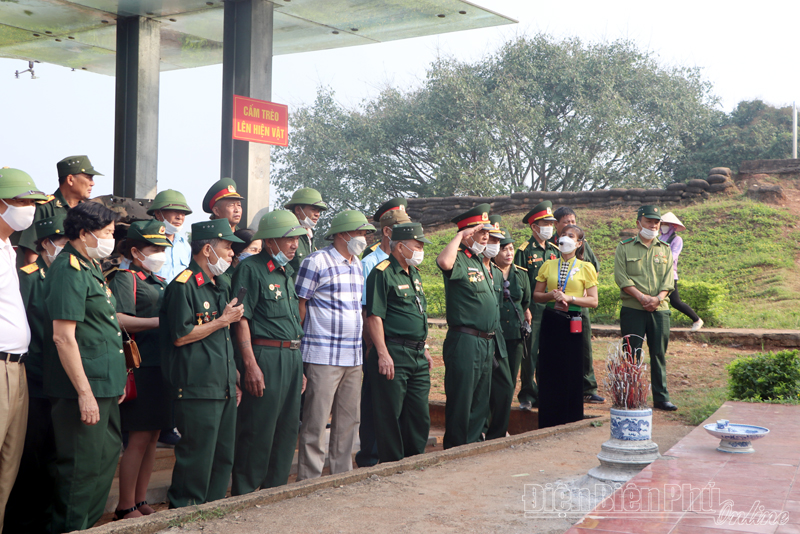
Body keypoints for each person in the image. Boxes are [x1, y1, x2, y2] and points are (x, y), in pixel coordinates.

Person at [43, 201, 126, 532]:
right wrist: (85, 393)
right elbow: (63, 338)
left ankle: (88, 528)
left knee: (103, 464)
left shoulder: (91, 266)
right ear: (84, 233)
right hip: (83, 388)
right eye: (106, 233)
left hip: (104, 383)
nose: (110, 239)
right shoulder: (68, 270)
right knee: (80, 471)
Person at [160, 219, 245, 508]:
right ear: (207, 249)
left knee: (223, 457)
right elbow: (181, 336)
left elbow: (222, 339)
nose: (232, 253)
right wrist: (222, 320)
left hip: (222, 385)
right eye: (227, 247)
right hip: (197, 386)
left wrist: (233, 378)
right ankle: (183, 514)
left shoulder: (221, 284)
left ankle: (213, 513)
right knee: (196, 458)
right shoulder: (183, 286)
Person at [295, 210, 375, 480]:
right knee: (316, 423)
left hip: (353, 357)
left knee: (348, 422)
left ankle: (342, 477)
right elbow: (300, 306)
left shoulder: (357, 263)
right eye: (361, 233)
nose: (364, 238)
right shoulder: (316, 261)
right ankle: (309, 482)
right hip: (323, 356)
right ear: (343, 234)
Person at [230, 211, 306, 494]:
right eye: (288, 238)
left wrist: (301, 369)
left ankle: (275, 492)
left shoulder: (287, 271)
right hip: (266, 356)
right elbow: (242, 320)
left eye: (296, 238)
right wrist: (249, 365)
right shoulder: (251, 269)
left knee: (287, 430)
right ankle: (245, 493)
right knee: (258, 430)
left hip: (291, 357)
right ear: (270, 240)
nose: (294, 244)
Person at [6, 213, 67, 534]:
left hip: (61, 382)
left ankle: (46, 521)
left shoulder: (67, 274)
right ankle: (22, 524)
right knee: (30, 459)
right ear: (46, 244)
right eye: (63, 242)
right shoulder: (29, 276)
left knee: (54, 459)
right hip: (35, 381)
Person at [108, 220, 172, 520]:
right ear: (135, 251)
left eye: (162, 248)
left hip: (161, 364)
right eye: (153, 248)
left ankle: (141, 498)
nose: (160, 253)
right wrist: (156, 323)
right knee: (137, 438)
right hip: (139, 364)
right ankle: (125, 505)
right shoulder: (126, 278)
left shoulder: (157, 280)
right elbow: (118, 318)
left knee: (153, 435)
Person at [0, 168, 48, 532]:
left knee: (9, 464)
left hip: (18, 368)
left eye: (31, 202)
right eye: (20, 201)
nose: (27, 209)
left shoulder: (9, 248)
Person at [436, 204, 505, 449]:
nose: (485, 236)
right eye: (479, 231)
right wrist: (458, 237)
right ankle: (455, 449)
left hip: (486, 341)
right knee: (462, 399)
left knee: (479, 401)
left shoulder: (480, 261)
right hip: (465, 340)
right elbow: (443, 262)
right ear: (467, 234)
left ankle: (473, 445)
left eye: (487, 232)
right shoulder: (461, 260)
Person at [365, 222, 433, 462]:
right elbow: (374, 316)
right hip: (394, 352)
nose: (421, 250)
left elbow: (416, 313)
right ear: (401, 246)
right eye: (418, 245)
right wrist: (383, 354)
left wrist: (423, 348)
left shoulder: (413, 273)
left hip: (416, 354)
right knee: (389, 416)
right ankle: (391, 467)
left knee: (419, 415)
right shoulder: (382, 273)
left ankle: (415, 461)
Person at [356, 197, 410, 468]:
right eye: (401, 227)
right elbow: (367, 311)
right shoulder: (370, 262)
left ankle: (392, 454)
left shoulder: (406, 262)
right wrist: (374, 348)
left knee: (396, 404)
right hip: (378, 344)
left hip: (403, 348)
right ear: (388, 232)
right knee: (374, 402)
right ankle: (370, 456)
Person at [534, 224, 599, 428]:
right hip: (552, 318)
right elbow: (536, 295)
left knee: (571, 368)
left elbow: (593, 301)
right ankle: (549, 415)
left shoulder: (585, 267)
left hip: (573, 321)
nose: (565, 238)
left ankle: (570, 417)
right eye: (563, 235)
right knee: (549, 367)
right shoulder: (548, 264)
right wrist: (552, 296)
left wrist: (569, 298)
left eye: (571, 236)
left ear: (579, 243)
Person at [614, 205, 676, 411]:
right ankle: (631, 397)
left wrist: (657, 299)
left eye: (656, 222)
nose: (653, 225)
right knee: (632, 354)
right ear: (638, 223)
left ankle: (661, 397)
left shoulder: (665, 249)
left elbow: (669, 280)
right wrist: (642, 298)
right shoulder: (625, 247)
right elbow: (621, 277)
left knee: (658, 353)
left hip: (660, 310)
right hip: (633, 308)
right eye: (649, 221)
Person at [551, 206, 604, 404]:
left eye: (573, 221)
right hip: (554, 306)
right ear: (556, 225)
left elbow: (594, 268)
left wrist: (584, 290)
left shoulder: (581, 243)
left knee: (583, 345)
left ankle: (588, 387)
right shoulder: (550, 245)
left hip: (579, 304)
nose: (571, 225)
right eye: (566, 222)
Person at [513, 201, 560, 411]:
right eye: (545, 223)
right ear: (534, 226)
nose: (550, 226)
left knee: (549, 353)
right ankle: (527, 395)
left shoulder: (555, 250)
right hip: (533, 310)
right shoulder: (524, 251)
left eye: (551, 223)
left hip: (552, 310)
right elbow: (520, 282)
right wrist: (524, 308)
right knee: (530, 353)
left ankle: (546, 392)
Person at [15, 155, 103, 266]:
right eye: (88, 177)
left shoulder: (89, 213)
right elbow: (31, 258)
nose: (92, 183)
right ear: (70, 179)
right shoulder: (44, 208)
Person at [490, 226, 531, 434]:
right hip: (493, 335)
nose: (508, 253)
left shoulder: (521, 274)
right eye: (503, 249)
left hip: (514, 336)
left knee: (508, 384)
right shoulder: (488, 272)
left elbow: (525, 301)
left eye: (511, 248)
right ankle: (486, 425)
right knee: (489, 383)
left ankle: (500, 427)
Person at [480, 216, 513, 440]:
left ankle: (497, 433)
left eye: (497, 240)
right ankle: (481, 430)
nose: (494, 244)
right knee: (480, 388)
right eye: (491, 239)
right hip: (477, 338)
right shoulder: (474, 267)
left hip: (497, 337)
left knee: (506, 386)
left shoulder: (497, 272)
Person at [659, 212, 704, 332]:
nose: (663, 226)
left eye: (665, 224)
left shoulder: (676, 239)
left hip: (669, 274)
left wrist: (660, 260)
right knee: (656, 300)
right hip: (657, 274)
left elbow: (674, 255)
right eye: (661, 223)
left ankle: (697, 320)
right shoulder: (659, 238)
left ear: (672, 226)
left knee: (675, 301)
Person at [148, 189, 193, 282]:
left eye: (183, 213)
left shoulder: (185, 246)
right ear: (158, 213)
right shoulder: (144, 243)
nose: (179, 217)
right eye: (175, 211)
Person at [284, 188, 328, 280]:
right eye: (313, 209)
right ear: (298, 209)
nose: (317, 214)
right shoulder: (286, 235)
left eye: (319, 211)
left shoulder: (311, 236)